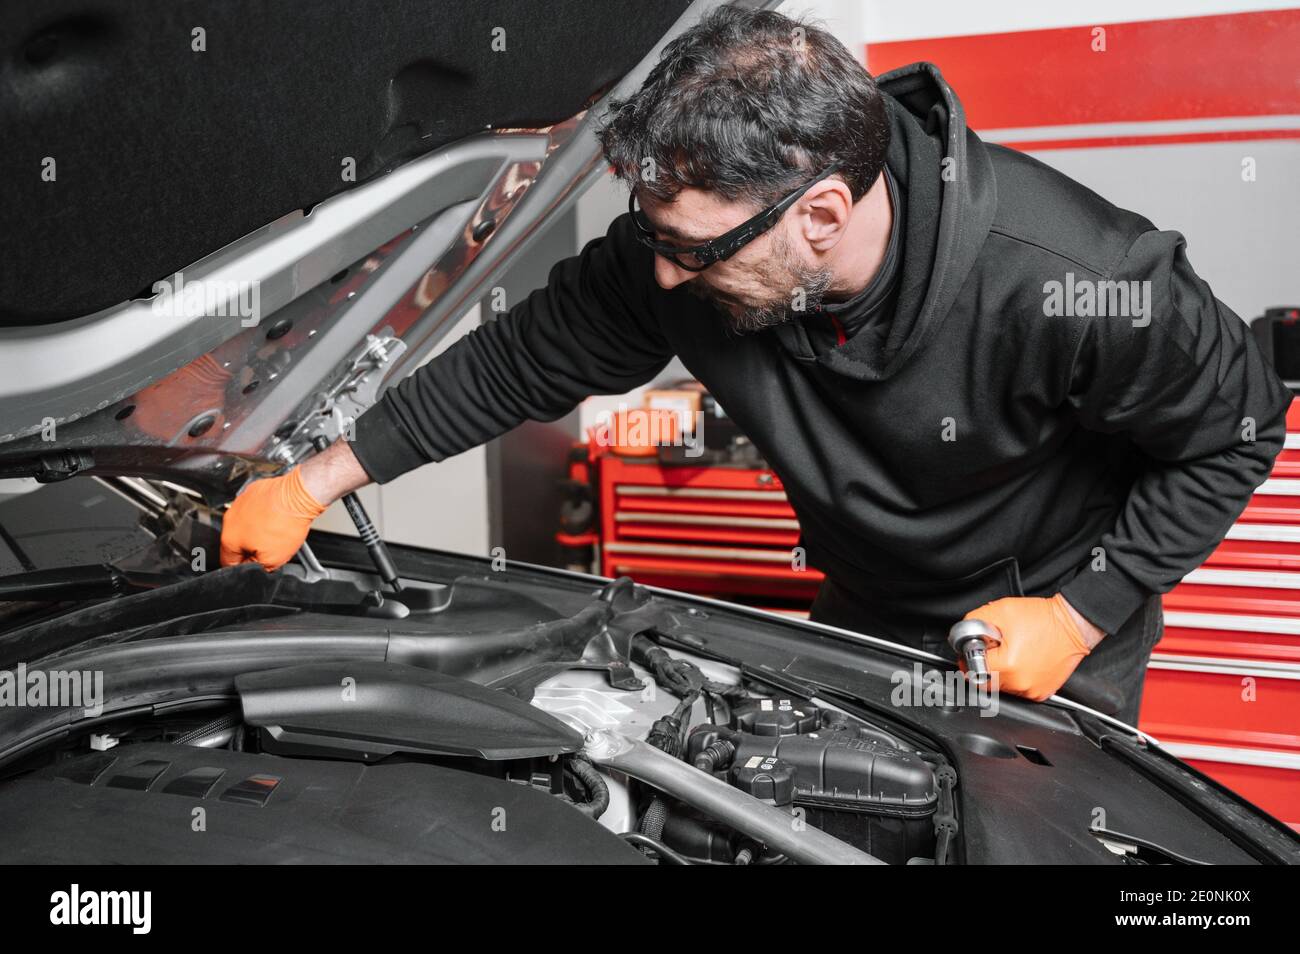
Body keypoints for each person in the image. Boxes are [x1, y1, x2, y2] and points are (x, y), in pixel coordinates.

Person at [219, 7, 1289, 725]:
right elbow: (521, 361)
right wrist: (313, 481)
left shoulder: (1081, 278)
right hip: (865, 599)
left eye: (693, 252)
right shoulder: (685, 248)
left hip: (1044, 614)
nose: (669, 280)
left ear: (820, 213)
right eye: (658, 243)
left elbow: (1233, 432)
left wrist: (1085, 612)